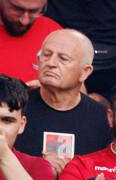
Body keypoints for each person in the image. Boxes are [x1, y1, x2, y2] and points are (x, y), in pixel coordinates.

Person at [18, 30, 108, 165]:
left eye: (63, 58)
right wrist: (39, 168)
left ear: (85, 72)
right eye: (46, 55)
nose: (51, 63)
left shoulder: (103, 118)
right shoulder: (15, 107)